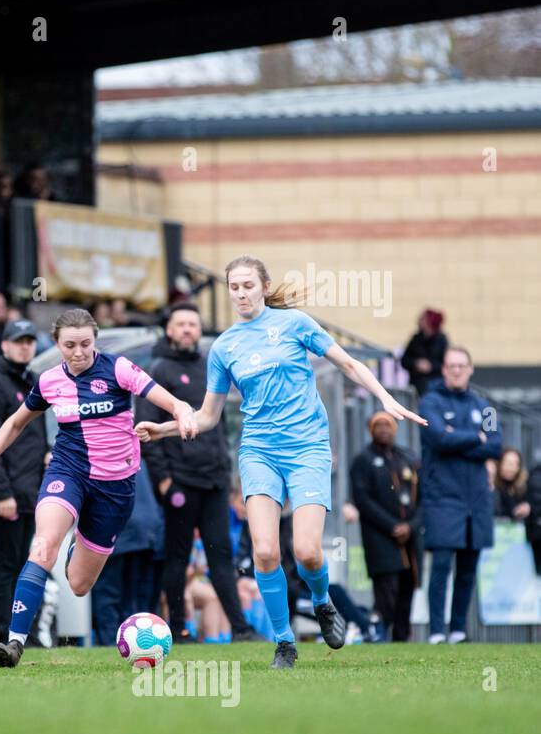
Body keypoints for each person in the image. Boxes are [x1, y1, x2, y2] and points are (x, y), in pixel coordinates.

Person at [135, 255, 425, 668]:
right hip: (258, 452)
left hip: (307, 447)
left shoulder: (295, 324)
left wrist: (385, 396)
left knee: (307, 551)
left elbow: (347, 363)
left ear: (264, 287)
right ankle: (284, 642)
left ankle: (323, 602)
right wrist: (163, 428)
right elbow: (208, 416)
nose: (240, 293)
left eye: (247, 285)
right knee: (266, 552)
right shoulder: (224, 347)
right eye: (233, 287)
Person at [0, 308, 199, 668]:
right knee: (43, 547)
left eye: (85, 344)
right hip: (69, 471)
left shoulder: (119, 369)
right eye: (69, 345)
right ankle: (14, 643)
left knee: (78, 583)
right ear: (57, 344)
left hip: (116, 488)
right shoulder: (48, 381)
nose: (78, 353)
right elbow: (14, 424)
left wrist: (182, 413)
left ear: (96, 341)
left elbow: (172, 402)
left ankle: (81, 539)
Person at [136, 302, 255, 642]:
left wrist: (229, 477)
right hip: (179, 481)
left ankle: (242, 629)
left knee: (222, 555)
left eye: (193, 323)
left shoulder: (210, 366)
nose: (188, 329)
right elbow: (148, 428)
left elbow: (219, 425)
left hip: (215, 479)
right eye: (181, 324)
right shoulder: (158, 369)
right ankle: (176, 629)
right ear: (169, 330)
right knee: (178, 558)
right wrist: (163, 479)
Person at [0, 319, 48, 647]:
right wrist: (1, 492)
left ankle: (17, 634)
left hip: (29, 492)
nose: (25, 346)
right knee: (5, 567)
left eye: (30, 340)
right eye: (18, 341)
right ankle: (1, 634)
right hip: (7, 494)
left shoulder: (29, 379)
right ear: (4, 345)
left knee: (21, 565)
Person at [419, 346, 500, 644]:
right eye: (451, 365)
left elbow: (495, 445)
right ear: (443, 369)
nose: (456, 370)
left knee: (468, 567)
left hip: (476, 499)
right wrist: (475, 437)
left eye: (461, 365)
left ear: (470, 368)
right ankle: (437, 632)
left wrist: (460, 437)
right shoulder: (430, 402)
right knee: (441, 565)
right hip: (443, 498)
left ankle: (457, 630)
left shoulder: (485, 406)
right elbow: (438, 438)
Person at [350, 411, 422, 642]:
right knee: (386, 592)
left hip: (409, 538)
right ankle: (379, 635)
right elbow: (363, 500)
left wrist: (410, 526)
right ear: (370, 430)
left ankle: (402, 639)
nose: (383, 429)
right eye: (378, 425)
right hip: (380, 537)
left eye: (387, 425)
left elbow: (424, 498)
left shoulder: (407, 458)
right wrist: (392, 526)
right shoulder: (363, 460)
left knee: (407, 588)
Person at [90, 461, 165, 645]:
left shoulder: (101, 452)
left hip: (118, 531)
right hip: (147, 531)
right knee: (135, 599)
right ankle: (139, 644)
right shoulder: (136, 453)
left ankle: (111, 644)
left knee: (109, 593)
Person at [401, 308, 448, 396]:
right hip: (416, 386)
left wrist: (431, 366)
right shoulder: (416, 339)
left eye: (423, 318)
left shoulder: (441, 340)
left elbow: (446, 364)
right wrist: (416, 364)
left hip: (435, 386)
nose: (419, 320)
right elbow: (404, 360)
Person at [494, 448, 531, 522]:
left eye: (516, 464)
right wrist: (514, 512)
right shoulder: (492, 487)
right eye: (508, 463)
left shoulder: (522, 486)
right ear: (499, 463)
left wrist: (527, 507)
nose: (512, 468)